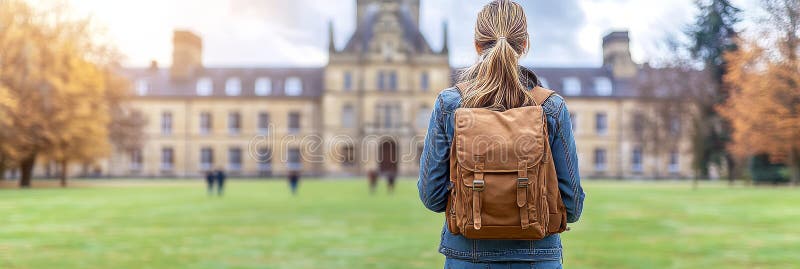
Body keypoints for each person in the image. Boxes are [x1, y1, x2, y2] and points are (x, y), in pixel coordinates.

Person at [417, 1, 585, 268]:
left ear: (476, 44)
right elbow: (572, 205)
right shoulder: (551, 107)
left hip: (466, 256)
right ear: (525, 44)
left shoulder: (450, 104)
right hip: (537, 257)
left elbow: (431, 196)